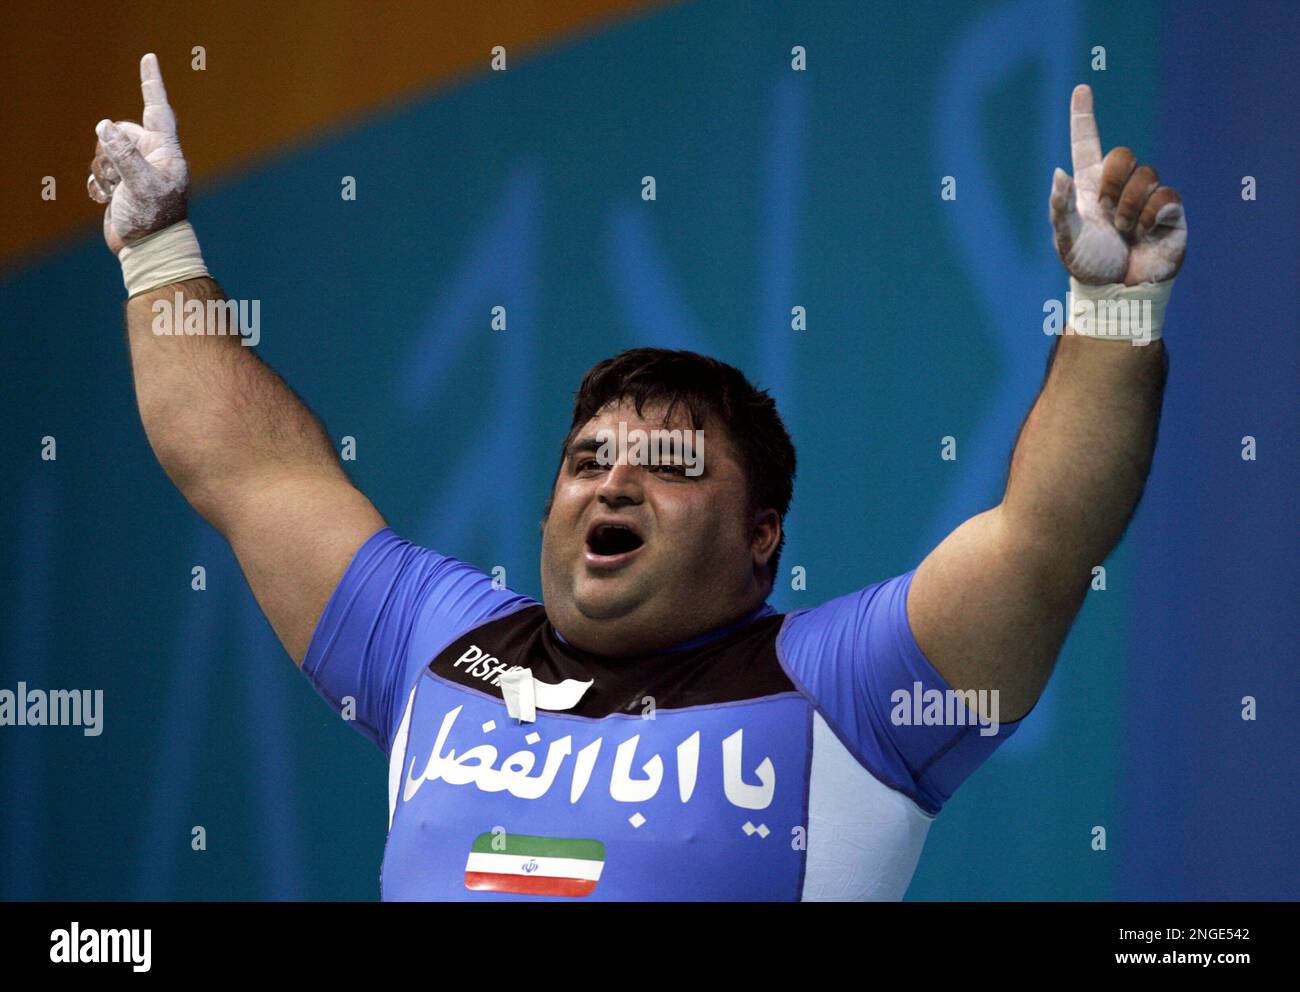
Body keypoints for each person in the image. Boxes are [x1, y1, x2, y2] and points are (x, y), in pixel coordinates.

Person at [89, 54, 1187, 900]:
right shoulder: (437, 646)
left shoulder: (843, 690)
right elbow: (249, 468)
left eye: (666, 466)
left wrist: (1115, 311)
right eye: (584, 462)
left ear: (762, 534)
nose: (612, 486)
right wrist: (156, 249)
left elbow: (1046, 534)